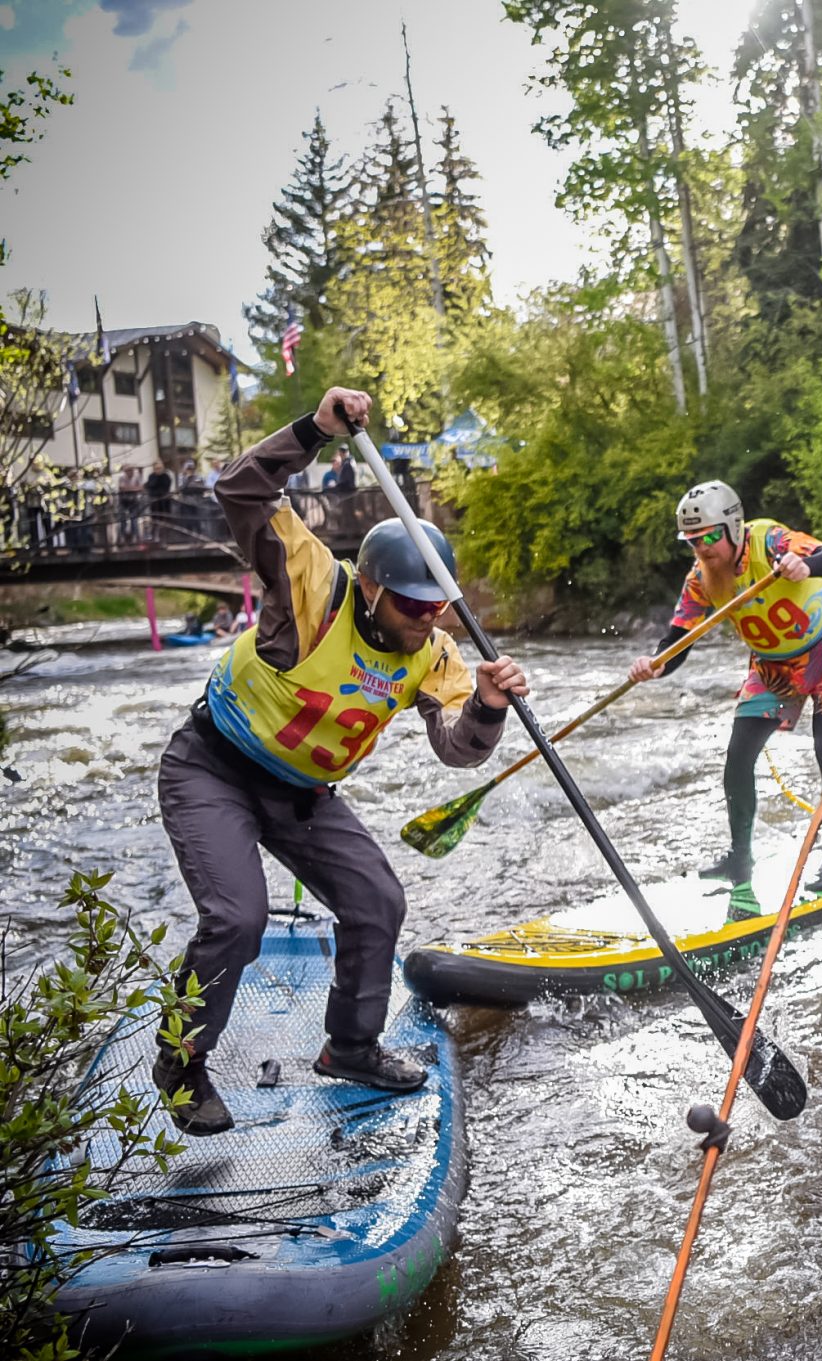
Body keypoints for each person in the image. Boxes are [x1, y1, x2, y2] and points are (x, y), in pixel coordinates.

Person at [152, 386, 529, 1137]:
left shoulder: (437, 653)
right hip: (213, 768)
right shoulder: (313, 587)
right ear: (373, 587)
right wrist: (313, 430)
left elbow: (458, 749)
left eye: (438, 604)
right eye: (412, 604)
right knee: (238, 917)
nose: (427, 618)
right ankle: (181, 1062)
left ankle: (350, 1048)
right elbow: (240, 491)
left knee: (377, 902)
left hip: (302, 794)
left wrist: (489, 704)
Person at [627, 480, 822, 902]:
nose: (702, 549)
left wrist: (806, 566)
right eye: (692, 541)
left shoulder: (769, 540)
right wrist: (655, 665)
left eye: (709, 537)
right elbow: (677, 642)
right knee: (738, 757)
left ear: (733, 528)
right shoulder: (700, 580)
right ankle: (740, 858)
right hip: (773, 665)